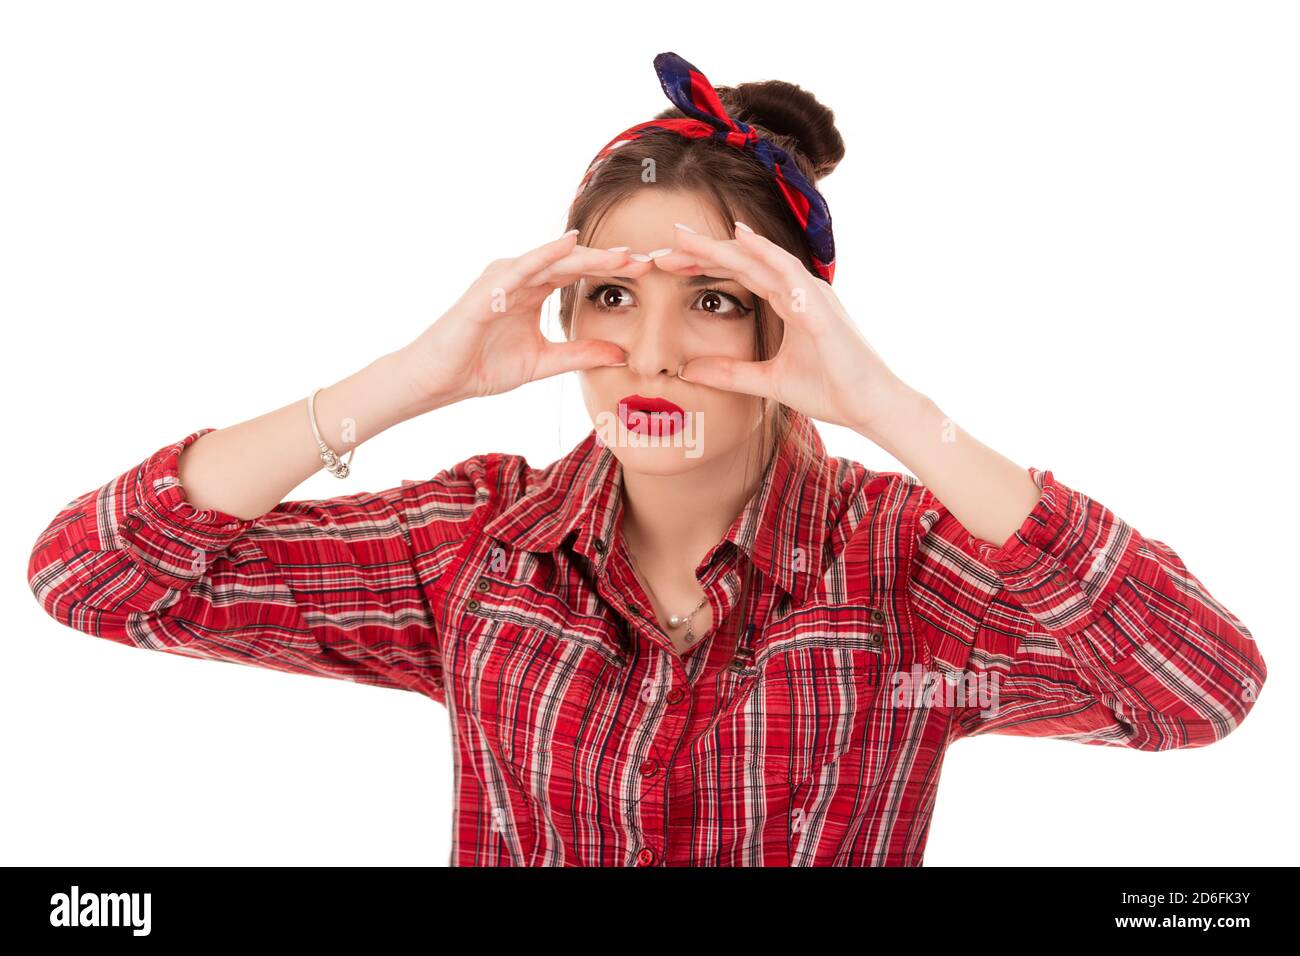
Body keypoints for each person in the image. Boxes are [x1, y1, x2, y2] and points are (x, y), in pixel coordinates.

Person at [26, 52, 1267, 866]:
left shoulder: (901, 564)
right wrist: (413, 378)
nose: (653, 355)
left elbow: (1198, 687)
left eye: (714, 301)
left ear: (791, 323)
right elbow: (92, 575)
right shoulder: (477, 550)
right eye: (611, 295)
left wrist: (893, 409)